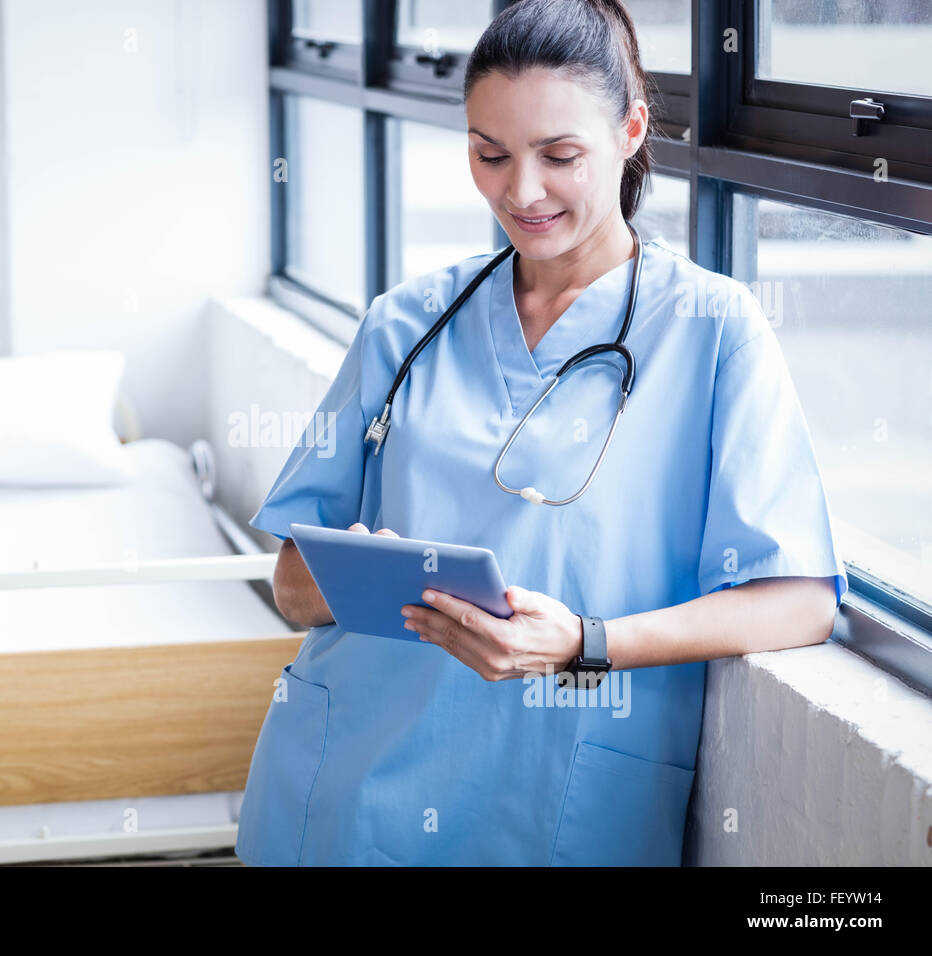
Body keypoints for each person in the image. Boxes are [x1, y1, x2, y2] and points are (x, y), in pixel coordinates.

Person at [235, 0, 847, 866]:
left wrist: (584, 644)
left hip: (551, 802)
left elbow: (802, 601)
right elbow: (292, 586)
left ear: (631, 129)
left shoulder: (713, 329)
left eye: (560, 156)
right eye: (490, 154)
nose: (520, 192)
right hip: (348, 799)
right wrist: (369, 576)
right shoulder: (404, 322)